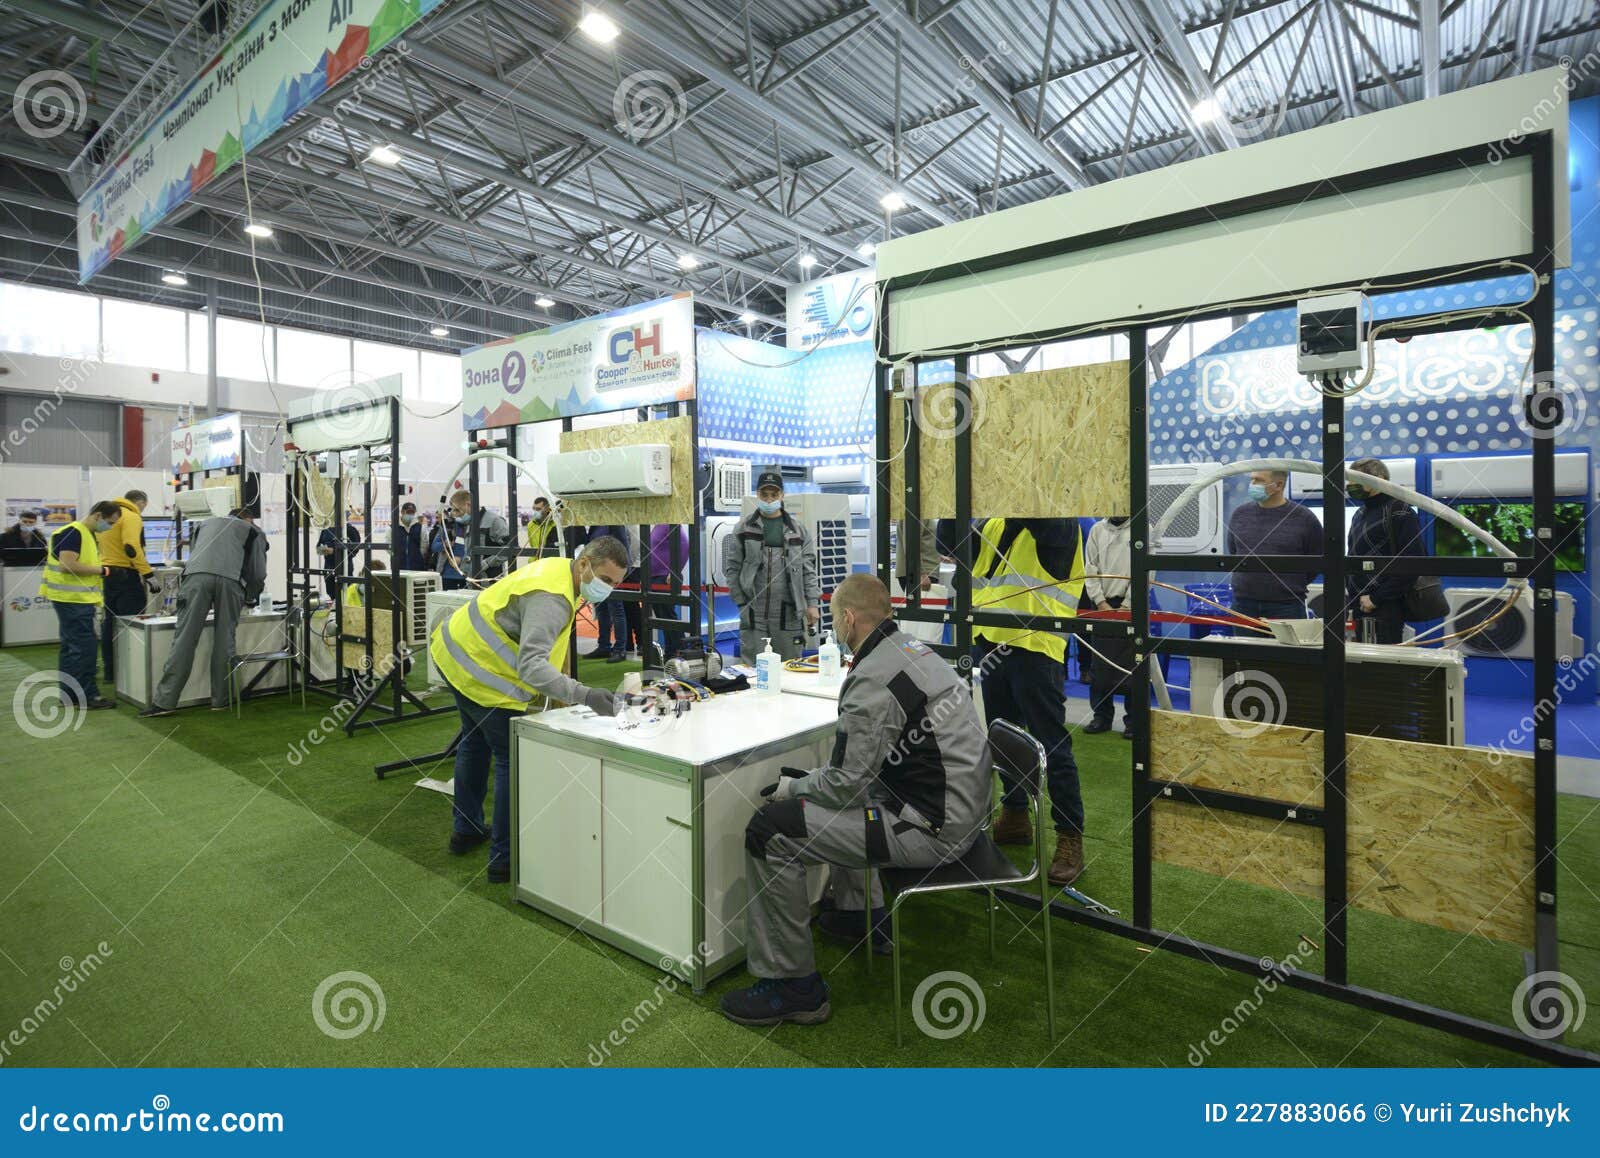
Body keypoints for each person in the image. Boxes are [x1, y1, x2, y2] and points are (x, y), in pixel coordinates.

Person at [720, 575, 991, 1026]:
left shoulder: (871, 678)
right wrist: (815, 783)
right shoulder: (913, 651)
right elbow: (861, 775)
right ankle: (857, 916)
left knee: (771, 831)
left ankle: (792, 988)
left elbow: (845, 782)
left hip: (932, 829)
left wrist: (794, 787)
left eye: (834, 618)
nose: (833, 627)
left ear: (848, 618)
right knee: (844, 797)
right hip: (961, 809)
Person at [429, 536, 628, 883]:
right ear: (584, 564)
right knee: (510, 760)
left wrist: (564, 688)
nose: (607, 589)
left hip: (454, 652)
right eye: (605, 580)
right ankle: (504, 860)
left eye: (614, 584)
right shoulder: (552, 598)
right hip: (482, 674)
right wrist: (586, 695)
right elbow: (532, 666)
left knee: (474, 744)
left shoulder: (557, 571)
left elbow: (547, 645)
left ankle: (467, 830)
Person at [971, 517, 1088, 885]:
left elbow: (1042, 526)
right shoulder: (991, 522)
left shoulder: (1059, 522)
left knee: (1052, 744)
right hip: (990, 640)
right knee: (1002, 739)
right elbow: (950, 542)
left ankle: (1070, 835)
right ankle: (1016, 813)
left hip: (1036, 645)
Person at [139, 506, 268, 717]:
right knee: (225, 639)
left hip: (196, 577)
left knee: (184, 639)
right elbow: (257, 571)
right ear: (249, 519)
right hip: (230, 581)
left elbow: (196, 555)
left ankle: (164, 702)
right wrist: (252, 595)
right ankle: (220, 700)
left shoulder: (204, 524)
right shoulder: (253, 531)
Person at [721, 470, 820, 662]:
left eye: (774, 495)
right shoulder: (743, 528)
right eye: (764, 494)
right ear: (757, 495)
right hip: (753, 610)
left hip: (789, 611)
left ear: (782, 495)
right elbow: (732, 569)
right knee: (755, 668)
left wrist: (812, 604)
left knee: (791, 666)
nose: (768, 499)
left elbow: (808, 571)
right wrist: (741, 602)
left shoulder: (798, 530)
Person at [40, 501, 123, 710]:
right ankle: (87, 696)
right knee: (83, 649)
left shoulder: (84, 534)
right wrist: (103, 571)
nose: (110, 527)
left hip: (73, 599)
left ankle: (69, 696)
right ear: (97, 516)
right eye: (109, 522)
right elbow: (68, 565)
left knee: (70, 649)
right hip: (73, 601)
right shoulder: (73, 533)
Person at [1346, 458, 1424, 645]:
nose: (1350, 486)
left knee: (1382, 667)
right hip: (1359, 606)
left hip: (1385, 607)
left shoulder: (1400, 511)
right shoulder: (1360, 513)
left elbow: (1413, 562)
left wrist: (1376, 598)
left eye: (1356, 479)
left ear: (1379, 479)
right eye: (1349, 480)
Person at [1226, 470, 1322, 620]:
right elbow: (1234, 552)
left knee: (1288, 645)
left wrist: (1288, 586)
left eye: (1258, 480)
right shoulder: (1240, 514)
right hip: (1243, 603)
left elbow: (1316, 561)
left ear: (1278, 485)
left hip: (1287, 606)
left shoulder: (1305, 518)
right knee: (1242, 644)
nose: (1252, 485)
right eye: (1252, 480)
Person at [1083, 515, 1136, 740]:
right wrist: (1100, 602)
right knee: (1100, 667)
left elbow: (1146, 569)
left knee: (1132, 669)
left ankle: (1134, 722)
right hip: (1102, 606)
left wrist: (1128, 606)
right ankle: (1101, 717)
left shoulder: (1144, 528)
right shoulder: (1097, 529)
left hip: (1131, 607)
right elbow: (1090, 568)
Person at [98, 489, 155, 682]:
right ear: (139, 502)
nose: (142, 511)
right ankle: (130, 672)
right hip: (126, 576)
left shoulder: (109, 516)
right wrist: (148, 573)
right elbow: (131, 547)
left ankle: (111, 672)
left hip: (108, 573)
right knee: (131, 624)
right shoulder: (131, 516)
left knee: (110, 624)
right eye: (143, 507)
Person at [647, 523, 690, 659]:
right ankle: (671, 652)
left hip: (665, 578)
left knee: (668, 616)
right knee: (662, 617)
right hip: (654, 577)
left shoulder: (671, 524)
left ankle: (681, 651)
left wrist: (675, 570)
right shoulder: (658, 526)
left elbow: (685, 546)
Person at [317, 512, 362, 602]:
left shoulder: (350, 530)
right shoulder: (326, 530)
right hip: (329, 569)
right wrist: (322, 550)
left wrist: (334, 551)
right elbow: (318, 547)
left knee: (346, 596)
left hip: (344, 568)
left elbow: (355, 549)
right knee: (332, 595)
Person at [395, 502, 427, 571]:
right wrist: (396, 556)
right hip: (398, 566)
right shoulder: (393, 528)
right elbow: (389, 545)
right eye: (408, 512)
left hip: (417, 566)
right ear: (402, 512)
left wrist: (417, 556)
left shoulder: (421, 527)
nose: (410, 514)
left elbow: (424, 546)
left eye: (412, 512)